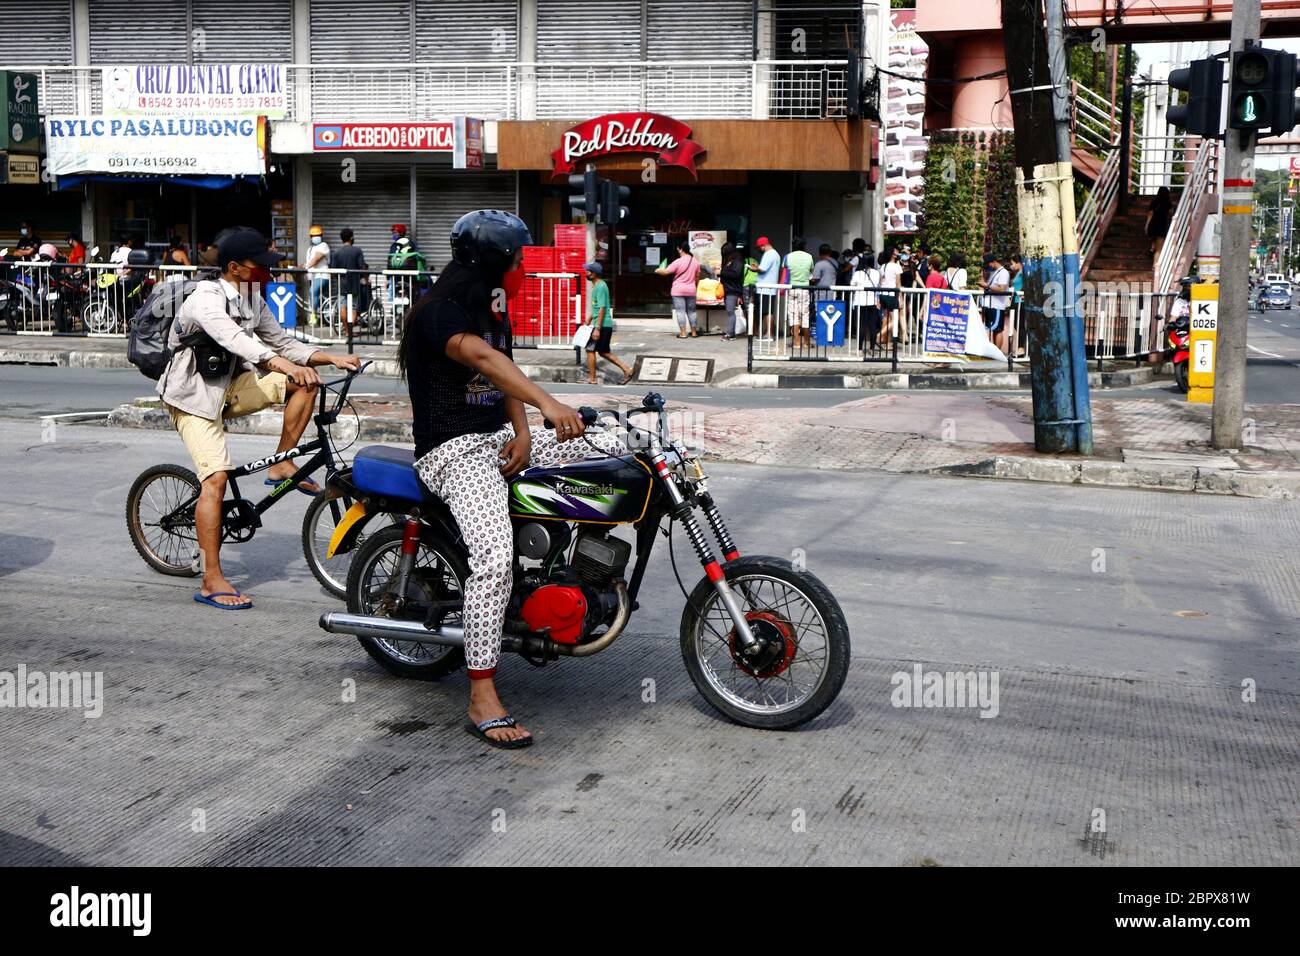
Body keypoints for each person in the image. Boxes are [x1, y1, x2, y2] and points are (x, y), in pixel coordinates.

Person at [397, 209, 627, 749]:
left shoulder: (488, 308)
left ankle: (572, 574)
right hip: (453, 452)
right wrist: (546, 402)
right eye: (521, 258)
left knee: (615, 443)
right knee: (495, 559)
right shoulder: (439, 311)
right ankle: (481, 695)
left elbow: (502, 372)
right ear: (496, 262)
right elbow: (479, 356)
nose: (526, 267)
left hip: (497, 439)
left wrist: (523, 429)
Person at [156, 228, 361, 610]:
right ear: (235, 268)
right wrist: (281, 364)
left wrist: (329, 357)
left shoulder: (253, 297)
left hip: (230, 386)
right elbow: (238, 341)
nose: (268, 273)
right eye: (260, 266)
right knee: (215, 481)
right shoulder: (206, 298)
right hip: (193, 398)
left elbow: (283, 342)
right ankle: (211, 578)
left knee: (306, 386)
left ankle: (283, 462)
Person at [581, 262, 632, 384]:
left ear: (593, 274)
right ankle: (627, 369)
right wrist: (589, 318)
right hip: (601, 323)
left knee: (590, 350)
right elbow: (598, 307)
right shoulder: (597, 286)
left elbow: (603, 308)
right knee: (603, 352)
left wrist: (597, 328)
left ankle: (592, 379)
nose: (586, 273)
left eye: (588, 271)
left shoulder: (600, 286)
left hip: (603, 324)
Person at [655, 240, 706, 338]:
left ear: (681, 249)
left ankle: (683, 333)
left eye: (678, 249)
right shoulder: (695, 261)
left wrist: (657, 270)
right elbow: (697, 276)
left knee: (680, 311)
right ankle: (694, 332)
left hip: (678, 290)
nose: (678, 250)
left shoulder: (678, 261)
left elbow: (666, 272)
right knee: (692, 311)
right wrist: (694, 286)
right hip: (691, 290)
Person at [330, 227, 368, 334]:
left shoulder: (337, 253)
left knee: (342, 306)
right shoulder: (357, 251)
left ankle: (346, 330)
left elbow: (333, 270)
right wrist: (366, 279)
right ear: (352, 238)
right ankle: (350, 331)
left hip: (342, 284)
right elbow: (362, 267)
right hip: (354, 283)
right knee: (354, 307)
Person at [783, 238, 814, 351]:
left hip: (792, 289)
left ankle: (796, 343)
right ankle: (806, 342)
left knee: (793, 315)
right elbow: (811, 270)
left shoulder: (788, 257)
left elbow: (785, 270)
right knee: (805, 316)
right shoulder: (809, 256)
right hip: (805, 289)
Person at [978, 253, 1012, 354]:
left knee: (997, 329)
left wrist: (987, 286)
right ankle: (993, 351)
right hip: (990, 304)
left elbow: (1002, 288)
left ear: (993, 262)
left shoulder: (1003, 273)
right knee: (992, 328)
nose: (988, 267)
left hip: (997, 305)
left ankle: (998, 352)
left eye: (989, 264)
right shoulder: (994, 272)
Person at [850, 249, 882, 353]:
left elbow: (852, 285)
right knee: (872, 325)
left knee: (861, 326)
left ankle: (859, 348)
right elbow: (879, 285)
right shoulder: (877, 273)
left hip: (859, 302)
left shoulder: (858, 273)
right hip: (872, 301)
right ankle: (872, 348)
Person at [750, 236, 782, 338]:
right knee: (768, 311)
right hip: (770, 287)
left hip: (765, 287)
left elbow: (762, 269)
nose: (759, 250)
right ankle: (769, 333)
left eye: (759, 248)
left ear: (762, 246)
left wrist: (754, 269)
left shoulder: (768, 254)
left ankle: (769, 333)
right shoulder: (776, 254)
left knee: (766, 312)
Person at [303, 224, 330, 324]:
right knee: (319, 298)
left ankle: (313, 316)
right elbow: (308, 262)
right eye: (314, 236)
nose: (316, 237)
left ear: (321, 235)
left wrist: (306, 267)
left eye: (318, 235)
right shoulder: (310, 249)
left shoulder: (323, 246)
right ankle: (323, 319)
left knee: (312, 292)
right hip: (313, 277)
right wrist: (296, 267)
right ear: (310, 237)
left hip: (322, 276)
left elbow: (316, 259)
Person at [719, 242, 746, 340]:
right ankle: (731, 333)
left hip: (733, 289)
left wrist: (722, 273)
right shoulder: (732, 260)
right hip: (729, 288)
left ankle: (730, 334)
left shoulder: (737, 260)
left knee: (730, 312)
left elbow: (736, 274)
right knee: (730, 312)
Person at [877, 246, 902, 347]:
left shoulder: (883, 266)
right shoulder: (897, 267)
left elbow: (880, 282)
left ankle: (888, 344)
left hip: (883, 294)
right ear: (893, 254)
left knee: (886, 319)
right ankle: (879, 336)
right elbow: (898, 283)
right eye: (896, 251)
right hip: (892, 295)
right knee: (895, 320)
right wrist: (900, 298)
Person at [1146, 186, 1173, 258]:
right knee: (1159, 249)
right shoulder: (1168, 203)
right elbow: (1171, 213)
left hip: (1153, 224)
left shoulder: (1154, 202)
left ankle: (1152, 248)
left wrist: (1147, 225)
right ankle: (1155, 263)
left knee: (1154, 238)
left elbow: (1150, 214)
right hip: (1162, 225)